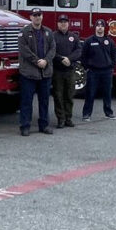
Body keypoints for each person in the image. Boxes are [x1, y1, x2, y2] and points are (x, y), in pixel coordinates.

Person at [17, 8, 56, 136]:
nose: (37, 17)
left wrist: (45, 60)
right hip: (29, 73)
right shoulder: (24, 32)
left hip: (45, 73)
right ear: (30, 17)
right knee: (27, 101)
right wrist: (37, 61)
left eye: (39, 15)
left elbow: (52, 49)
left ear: (42, 17)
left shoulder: (48, 32)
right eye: (35, 15)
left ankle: (44, 125)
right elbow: (24, 50)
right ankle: (25, 126)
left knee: (44, 101)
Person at [81, 19, 116, 121]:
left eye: (102, 26)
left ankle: (108, 113)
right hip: (93, 71)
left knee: (107, 94)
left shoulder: (110, 41)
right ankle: (86, 114)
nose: (100, 27)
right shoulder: (89, 41)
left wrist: (111, 67)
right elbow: (83, 56)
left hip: (106, 72)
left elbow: (114, 56)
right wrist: (87, 68)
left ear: (104, 28)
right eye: (98, 26)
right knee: (90, 93)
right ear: (95, 27)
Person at [51, 14, 83, 128]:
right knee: (58, 96)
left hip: (70, 70)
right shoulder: (53, 36)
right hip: (57, 71)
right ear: (58, 23)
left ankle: (68, 118)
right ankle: (60, 119)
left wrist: (70, 59)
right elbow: (51, 52)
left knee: (69, 95)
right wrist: (61, 59)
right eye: (61, 22)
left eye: (65, 22)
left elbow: (79, 50)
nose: (63, 24)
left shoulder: (73, 37)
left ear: (68, 23)